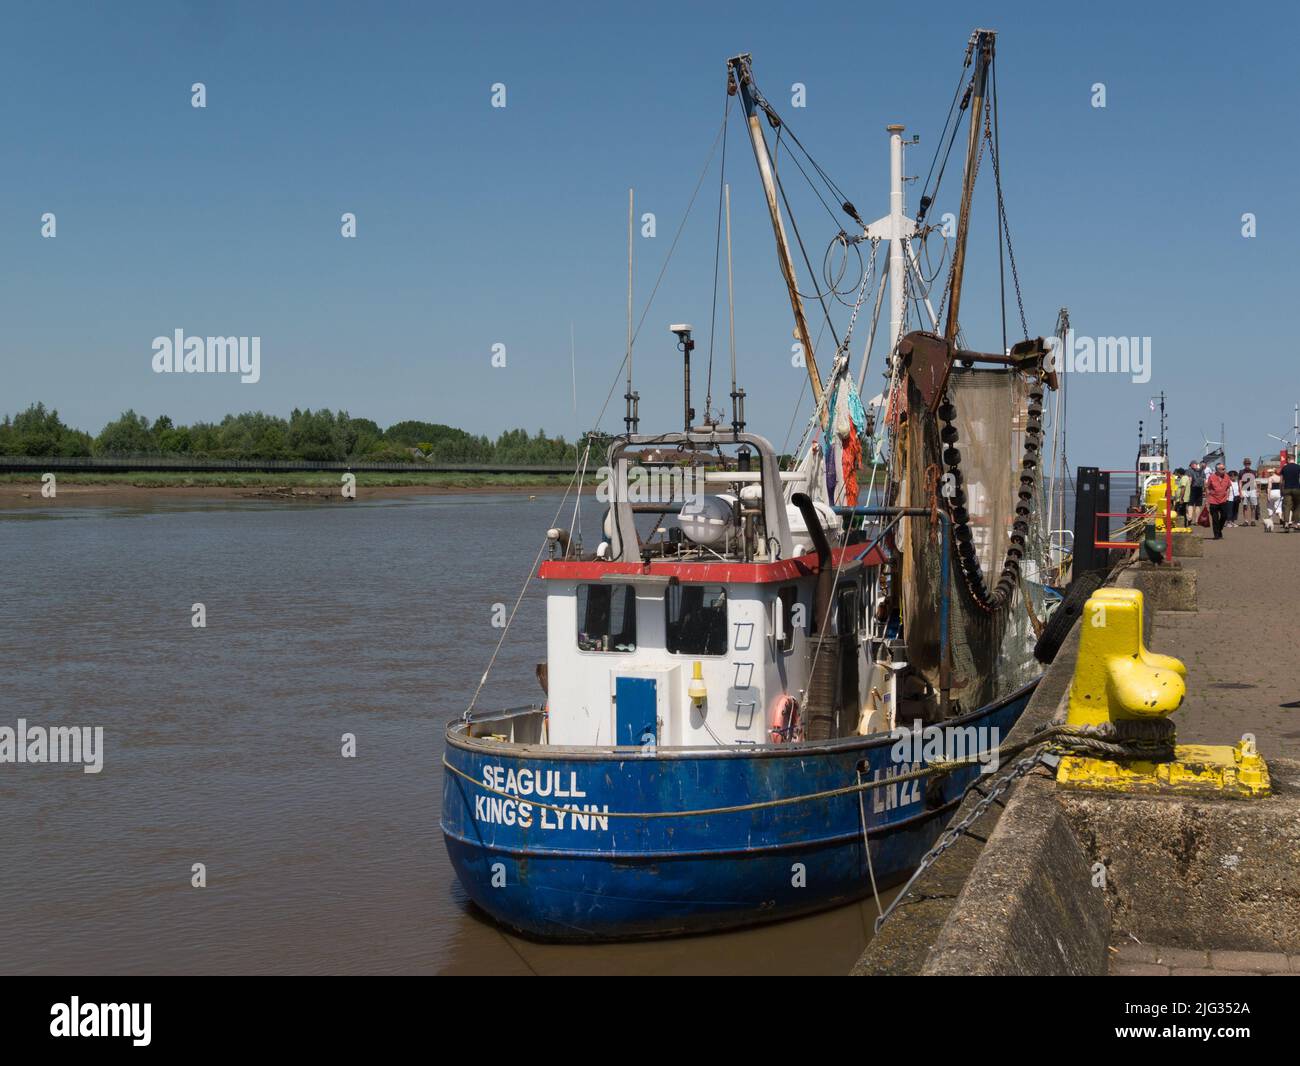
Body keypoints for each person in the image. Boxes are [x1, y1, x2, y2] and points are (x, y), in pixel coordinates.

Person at [1205, 462, 1231, 539]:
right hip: (1213, 500)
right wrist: (1207, 498)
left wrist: (1228, 496)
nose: (1224, 470)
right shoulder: (1211, 477)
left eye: (1224, 468)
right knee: (1215, 519)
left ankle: (1219, 529)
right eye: (1223, 469)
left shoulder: (1226, 476)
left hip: (1223, 500)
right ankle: (1216, 535)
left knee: (1224, 516)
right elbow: (1207, 487)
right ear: (1217, 470)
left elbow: (1228, 487)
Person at [1282, 454, 1300, 531]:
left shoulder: (1284, 468)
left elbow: (1281, 480)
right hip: (1296, 488)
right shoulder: (1298, 467)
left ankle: (1286, 523)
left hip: (1287, 489)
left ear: (1288, 459)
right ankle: (1295, 524)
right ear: (1294, 459)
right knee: (1298, 506)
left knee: (1287, 506)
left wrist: (1281, 490)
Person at [1239, 459, 1258, 527]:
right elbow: (1240, 482)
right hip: (1244, 490)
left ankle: (1253, 520)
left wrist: (1257, 490)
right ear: (1244, 464)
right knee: (1245, 506)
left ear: (1250, 464)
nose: (1247, 465)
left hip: (1252, 490)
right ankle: (1246, 521)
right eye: (1246, 463)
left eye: (1248, 463)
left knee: (1253, 506)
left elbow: (1255, 482)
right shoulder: (1241, 472)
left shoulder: (1253, 472)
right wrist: (1240, 492)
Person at [1187, 461, 1205, 526]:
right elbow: (1204, 480)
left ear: (1191, 465)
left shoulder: (1189, 471)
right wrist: (1204, 488)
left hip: (1192, 488)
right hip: (1199, 489)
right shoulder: (1201, 471)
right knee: (1198, 505)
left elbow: (1190, 480)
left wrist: (1187, 490)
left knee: (1190, 504)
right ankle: (1196, 521)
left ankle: (1190, 518)